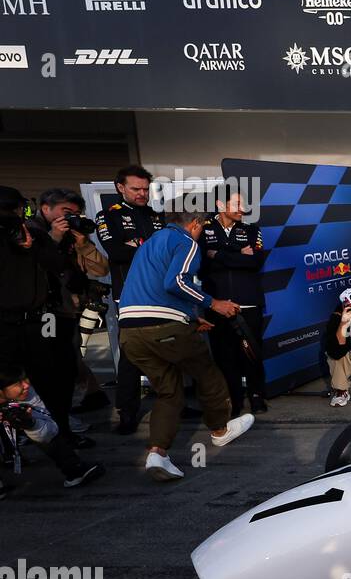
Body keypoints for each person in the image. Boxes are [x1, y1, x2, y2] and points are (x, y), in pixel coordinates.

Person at [117, 207, 253, 481]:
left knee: (168, 391)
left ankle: (158, 453)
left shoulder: (148, 245)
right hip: (164, 328)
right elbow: (175, 282)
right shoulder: (185, 241)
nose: (201, 233)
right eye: (202, 228)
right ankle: (219, 431)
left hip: (129, 332)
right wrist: (214, 303)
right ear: (194, 224)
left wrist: (191, 317)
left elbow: (153, 288)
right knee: (208, 374)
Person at [30, 188, 111, 425]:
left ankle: (76, 405)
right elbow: (35, 269)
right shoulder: (31, 232)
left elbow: (100, 269)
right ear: (46, 208)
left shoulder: (71, 237)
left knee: (69, 357)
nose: (70, 218)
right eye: (66, 212)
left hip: (67, 308)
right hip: (42, 311)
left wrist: (83, 244)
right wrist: (53, 238)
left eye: (75, 213)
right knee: (51, 363)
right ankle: (52, 416)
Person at [95, 164, 165, 434]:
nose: (142, 194)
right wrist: (147, 248)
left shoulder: (156, 216)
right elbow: (115, 252)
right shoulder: (108, 216)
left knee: (167, 348)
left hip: (159, 293)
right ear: (120, 188)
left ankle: (175, 401)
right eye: (136, 189)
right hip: (130, 296)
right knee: (131, 356)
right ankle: (127, 412)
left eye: (146, 189)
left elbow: (166, 252)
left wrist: (138, 246)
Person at [200, 189, 268, 415]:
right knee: (224, 357)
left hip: (249, 303)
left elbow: (256, 262)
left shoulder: (251, 229)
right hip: (216, 304)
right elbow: (201, 262)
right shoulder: (204, 228)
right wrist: (239, 253)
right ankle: (235, 401)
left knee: (252, 354)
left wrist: (218, 254)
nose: (243, 208)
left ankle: (257, 397)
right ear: (220, 203)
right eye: (237, 203)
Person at [1, 367, 104, 496]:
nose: (26, 385)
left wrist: (31, 423)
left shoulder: (28, 393)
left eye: (25, 379)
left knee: (43, 427)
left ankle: (75, 469)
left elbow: (50, 427)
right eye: (18, 383)